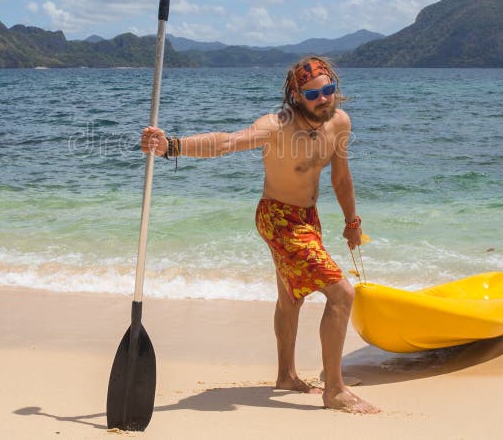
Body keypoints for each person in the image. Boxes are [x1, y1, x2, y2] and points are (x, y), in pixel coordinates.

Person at [140, 56, 379, 414]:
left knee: (290, 300)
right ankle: (335, 390)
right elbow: (226, 143)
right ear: (297, 96)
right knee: (342, 294)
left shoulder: (339, 123)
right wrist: (171, 146)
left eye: (329, 90)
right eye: (314, 94)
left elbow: (340, 178)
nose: (324, 99)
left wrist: (351, 222)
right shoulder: (276, 126)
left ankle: (286, 376)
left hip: (307, 218)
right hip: (278, 218)